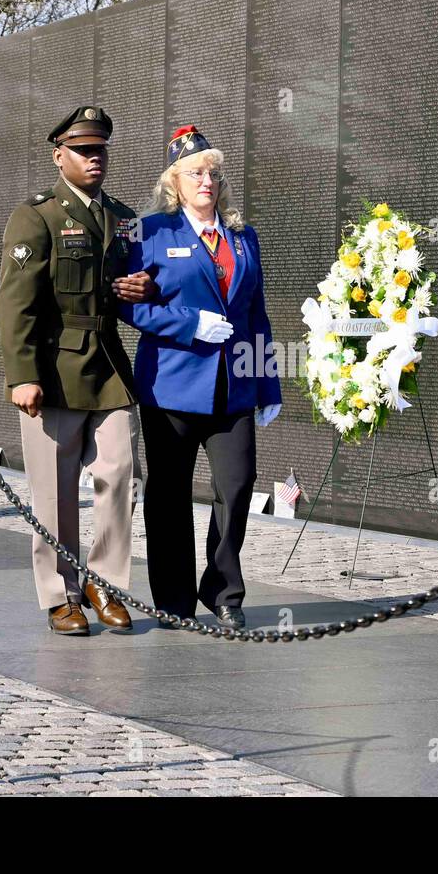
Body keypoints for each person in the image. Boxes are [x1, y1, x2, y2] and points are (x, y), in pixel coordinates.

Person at [0, 105, 157, 636]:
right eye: (84, 150)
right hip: (53, 367)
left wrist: (145, 288)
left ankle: (104, 582)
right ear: (59, 155)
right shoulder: (37, 215)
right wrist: (23, 374)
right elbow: (15, 303)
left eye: (101, 149)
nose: (95, 159)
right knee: (55, 491)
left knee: (117, 473)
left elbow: (137, 280)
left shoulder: (121, 216)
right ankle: (62, 592)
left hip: (107, 363)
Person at [121, 125, 282, 631]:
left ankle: (223, 590)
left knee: (237, 486)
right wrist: (191, 324)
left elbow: (257, 312)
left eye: (213, 171)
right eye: (195, 172)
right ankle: (173, 600)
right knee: (169, 495)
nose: (206, 180)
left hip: (233, 386)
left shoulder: (242, 235)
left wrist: (268, 381)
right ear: (174, 181)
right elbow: (129, 308)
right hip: (171, 385)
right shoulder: (150, 232)